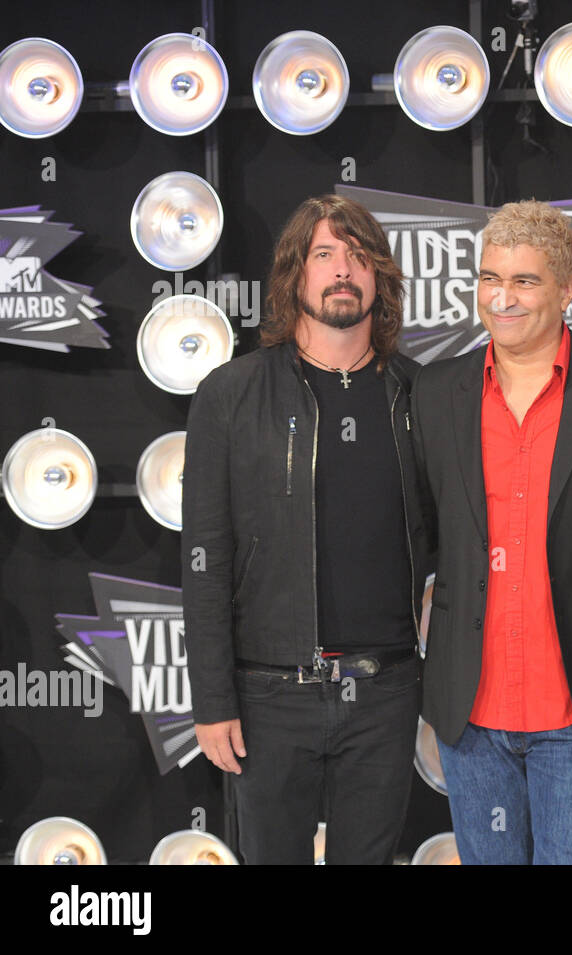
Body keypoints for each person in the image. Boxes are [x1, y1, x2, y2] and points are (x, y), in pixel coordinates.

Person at [410, 199, 572, 864]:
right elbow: (420, 536)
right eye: (491, 278)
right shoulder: (436, 394)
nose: (504, 297)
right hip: (472, 714)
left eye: (525, 281)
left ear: (569, 287)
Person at [182, 194, 429, 864]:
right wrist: (212, 697)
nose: (342, 269)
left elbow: (447, 547)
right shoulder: (230, 394)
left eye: (358, 256)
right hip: (268, 695)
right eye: (324, 254)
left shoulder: (421, 396)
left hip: (385, 692)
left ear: (380, 277)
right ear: (296, 275)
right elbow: (205, 555)